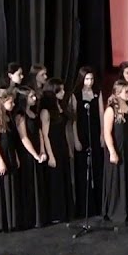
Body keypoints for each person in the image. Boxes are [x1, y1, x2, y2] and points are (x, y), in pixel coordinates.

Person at [102, 80, 128, 223]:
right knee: (118, 178)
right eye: (126, 92)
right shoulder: (111, 110)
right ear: (117, 93)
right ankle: (117, 211)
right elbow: (107, 132)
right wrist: (112, 152)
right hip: (117, 148)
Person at [69, 66, 105, 219]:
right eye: (87, 79)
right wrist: (76, 139)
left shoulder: (98, 93)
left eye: (91, 79)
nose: (89, 82)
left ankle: (100, 205)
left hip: (96, 133)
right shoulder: (75, 95)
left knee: (98, 168)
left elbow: (102, 115)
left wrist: (103, 134)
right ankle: (85, 207)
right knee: (83, 171)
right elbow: (74, 119)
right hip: (82, 134)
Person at [0, 88, 21, 232]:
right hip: (0, 156)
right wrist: (0, 161)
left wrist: (16, 156)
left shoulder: (8, 117)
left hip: (10, 155)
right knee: (2, 188)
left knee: (10, 187)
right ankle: (1, 222)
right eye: (10, 102)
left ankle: (11, 220)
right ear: (2, 102)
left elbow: (13, 141)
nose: (13, 104)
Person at [40, 80, 75, 225]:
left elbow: (65, 129)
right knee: (55, 181)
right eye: (60, 91)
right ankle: (56, 213)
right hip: (53, 147)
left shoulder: (60, 107)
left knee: (64, 178)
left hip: (62, 145)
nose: (63, 93)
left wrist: (69, 148)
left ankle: (66, 211)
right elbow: (45, 135)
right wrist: (50, 155)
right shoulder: (46, 112)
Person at [14, 86, 48, 229]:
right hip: (27, 155)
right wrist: (34, 154)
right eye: (31, 97)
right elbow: (24, 138)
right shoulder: (20, 116)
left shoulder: (34, 113)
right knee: (28, 184)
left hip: (37, 153)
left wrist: (42, 150)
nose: (35, 98)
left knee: (38, 184)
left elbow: (39, 132)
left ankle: (39, 217)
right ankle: (29, 217)